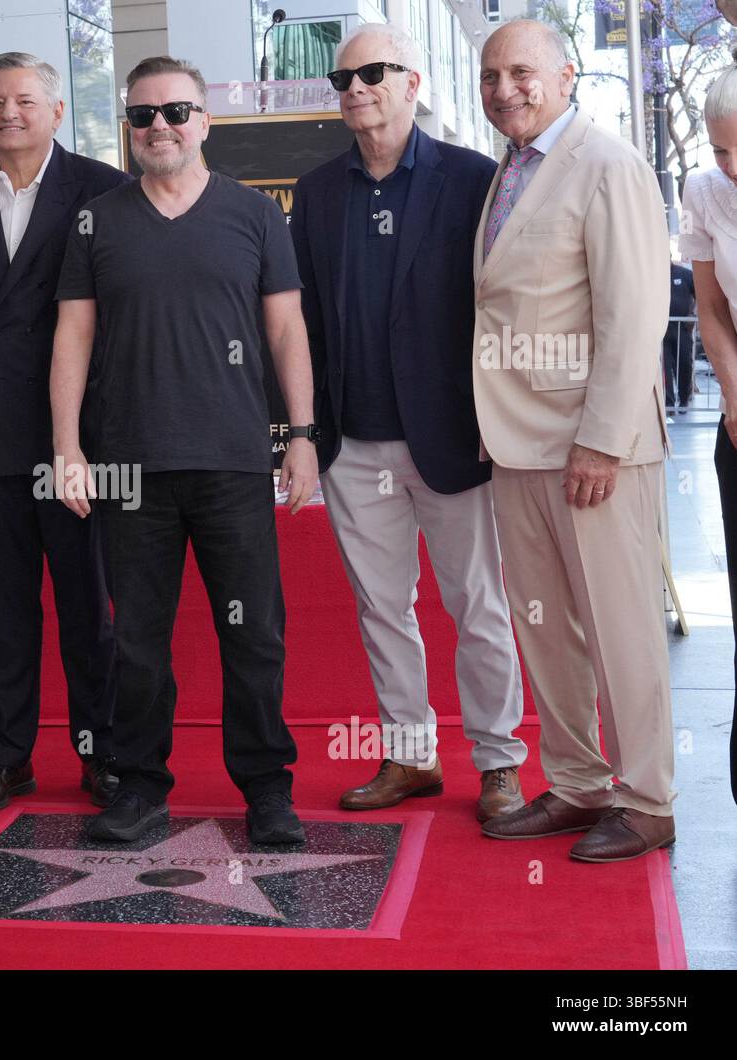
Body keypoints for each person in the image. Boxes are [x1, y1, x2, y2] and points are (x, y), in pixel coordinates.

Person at [52, 56, 320, 844]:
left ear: (204, 120)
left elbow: (285, 329)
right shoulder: (97, 219)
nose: (159, 127)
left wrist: (301, 436)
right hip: (128, 465)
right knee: (137, 635)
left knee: (254, 633)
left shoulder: (256, 215)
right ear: (128, 129)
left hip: (234, 461)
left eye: (175, 112)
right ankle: (138, 786)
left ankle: (268, 790)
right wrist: (67, 446)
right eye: (142, 116)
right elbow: (73, 335)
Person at [290, 23, 527, 822]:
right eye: (343, 78)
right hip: (354, 441)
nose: (356, 88)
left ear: (413, 82)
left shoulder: (472, 180)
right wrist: (304, 434)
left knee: (478, 605)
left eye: (374, 73)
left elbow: (501, 307)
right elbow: (308, 322)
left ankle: (499, 762)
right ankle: (411, 756)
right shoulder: (317, 192)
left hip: (454, 438)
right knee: (382, 607)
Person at [473, 21, 675, 860]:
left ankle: (650, 798)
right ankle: (580, 782)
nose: (504, 88)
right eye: (490, 76)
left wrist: (601, 441)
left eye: (521, 72)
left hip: (596, 448)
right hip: (516, 442)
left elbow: (634, 314)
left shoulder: (609, 163)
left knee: (621, 627)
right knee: (547, 626)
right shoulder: (511, 171)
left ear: (566, 75)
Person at [0, 53, 127, 813]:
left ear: (55, 110)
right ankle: (8, 758)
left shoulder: (103, 187)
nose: (7, 112)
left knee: (87, 605)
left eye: (24, 99)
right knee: (6, 610)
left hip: (78, 438)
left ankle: (100, 754)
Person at [679, 56, 737, 804]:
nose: (732, 165)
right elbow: (711, 307)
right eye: (721, 150)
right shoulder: (703, 190)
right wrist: (733, 388)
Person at [664, 260, 696, 414]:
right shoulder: (654, 274)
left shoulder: (684, 274)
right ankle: (668, 404)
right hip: (661, 329)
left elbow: (702, 294)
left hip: (682, 327)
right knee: (664, 367)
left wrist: (694, 315)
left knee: (684, 364)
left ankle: (684, 400)